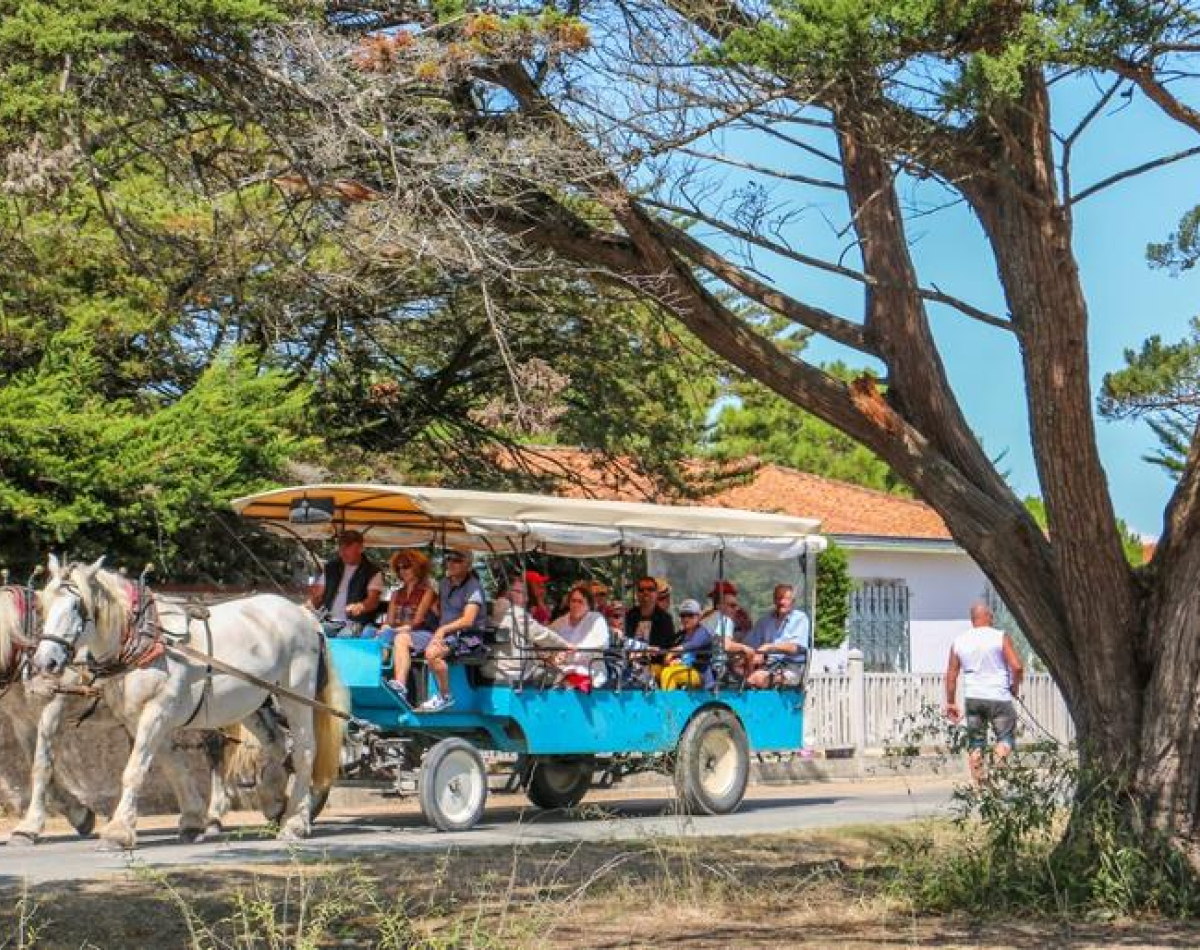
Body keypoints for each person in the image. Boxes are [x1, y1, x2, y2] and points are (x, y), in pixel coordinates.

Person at [944, 603, 1025, 784]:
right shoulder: (999, 637)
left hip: (973, 698)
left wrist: (950, 702)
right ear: (988, 617)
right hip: (999, 697)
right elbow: (1017, 667)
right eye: (992, 616)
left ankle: (981, 791)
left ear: (972, 620)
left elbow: (951, 674)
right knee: (1005, 739)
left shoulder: (959, 641)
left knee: (976, 744)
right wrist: (1014, 686)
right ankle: (998, 768)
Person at [418, 547, 488, 713]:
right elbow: (441, 610)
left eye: (458, 560)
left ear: (468, 565)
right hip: (446, 633)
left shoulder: (473, 586)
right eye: (449, 558)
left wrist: (442, 630)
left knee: (432, 654)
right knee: (402, 640)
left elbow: (468, 620)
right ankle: (402, 691)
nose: (451, 563)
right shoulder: (444, 583)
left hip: (469, 637)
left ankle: (445, 696)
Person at [486, 577, 572, 684]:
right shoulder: (514, 612)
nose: (526, 599)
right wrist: (564, 645)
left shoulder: (496, 608)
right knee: (564, 676)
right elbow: (539, 634)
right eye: (522, 593)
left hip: (493, 669)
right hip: (513, 672)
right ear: (507, 592)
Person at [728, 584, 810, 687]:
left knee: (757, 678)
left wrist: (770, 647)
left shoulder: (800, 618)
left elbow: (795, 648)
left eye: (786, 599)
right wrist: (749, 652)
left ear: (793, 601)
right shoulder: (765, 620)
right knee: (735, 663)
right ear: (774, 600)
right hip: (767, 665)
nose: (781, 602)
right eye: (778, 598)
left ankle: (750, 692)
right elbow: (749, 643)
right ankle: (745, 693)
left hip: (791, 668)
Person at [381, 550, 438, 697]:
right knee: (368, 631)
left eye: (406, 566)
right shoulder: (396, 593)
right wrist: (386, 627)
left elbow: (417, 622)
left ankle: (399, 685)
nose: (402, 571)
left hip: (422, 633)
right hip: (400, 631)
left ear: (417, 567)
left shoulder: (427, 592)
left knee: (399, 637)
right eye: (399, 568)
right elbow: (390, 621)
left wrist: (392, 631)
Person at [308, 529, 384, 636]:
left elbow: (373, 601)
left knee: (345, 638)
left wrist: (360, 606)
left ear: (360, 548)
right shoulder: (331, 568)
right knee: (309, 634)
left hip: (355, 623)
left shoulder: (373, 572)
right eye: (341, 547)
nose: (342, 552)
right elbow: (318, 595)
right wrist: (311, 601)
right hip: (328, 621)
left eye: (347, 547)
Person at [551, 583, 610, 689]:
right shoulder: (559, 622)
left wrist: (575, 650)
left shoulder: (596, 619)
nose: (576, 605)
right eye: (573, 601)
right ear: (569, 603)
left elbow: (602, 643)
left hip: (590, 672)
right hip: (562, 672)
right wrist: (554, 655)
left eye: (580, 602)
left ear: (588, 605)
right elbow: (547, 638)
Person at [659, 599, 713, 690]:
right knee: (654, 670)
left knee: (669, 674)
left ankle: (669, 703)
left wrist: (672, 653)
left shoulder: (703, 632)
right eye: (683, 616)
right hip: (682, 669)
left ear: (699, 617)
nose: (686, 619)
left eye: (690, 615)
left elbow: (693, 645)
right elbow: (666, 647)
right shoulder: (680, 635)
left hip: (699, 673)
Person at [624, 575, 676, 659]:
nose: (646, 592)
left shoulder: (665, 619)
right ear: (637, 594)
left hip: (656, 665)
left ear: (656, 594)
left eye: (650, 589)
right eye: (641, 590)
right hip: (631, 663)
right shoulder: (629, 616)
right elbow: (625, 640)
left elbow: (667, 647)